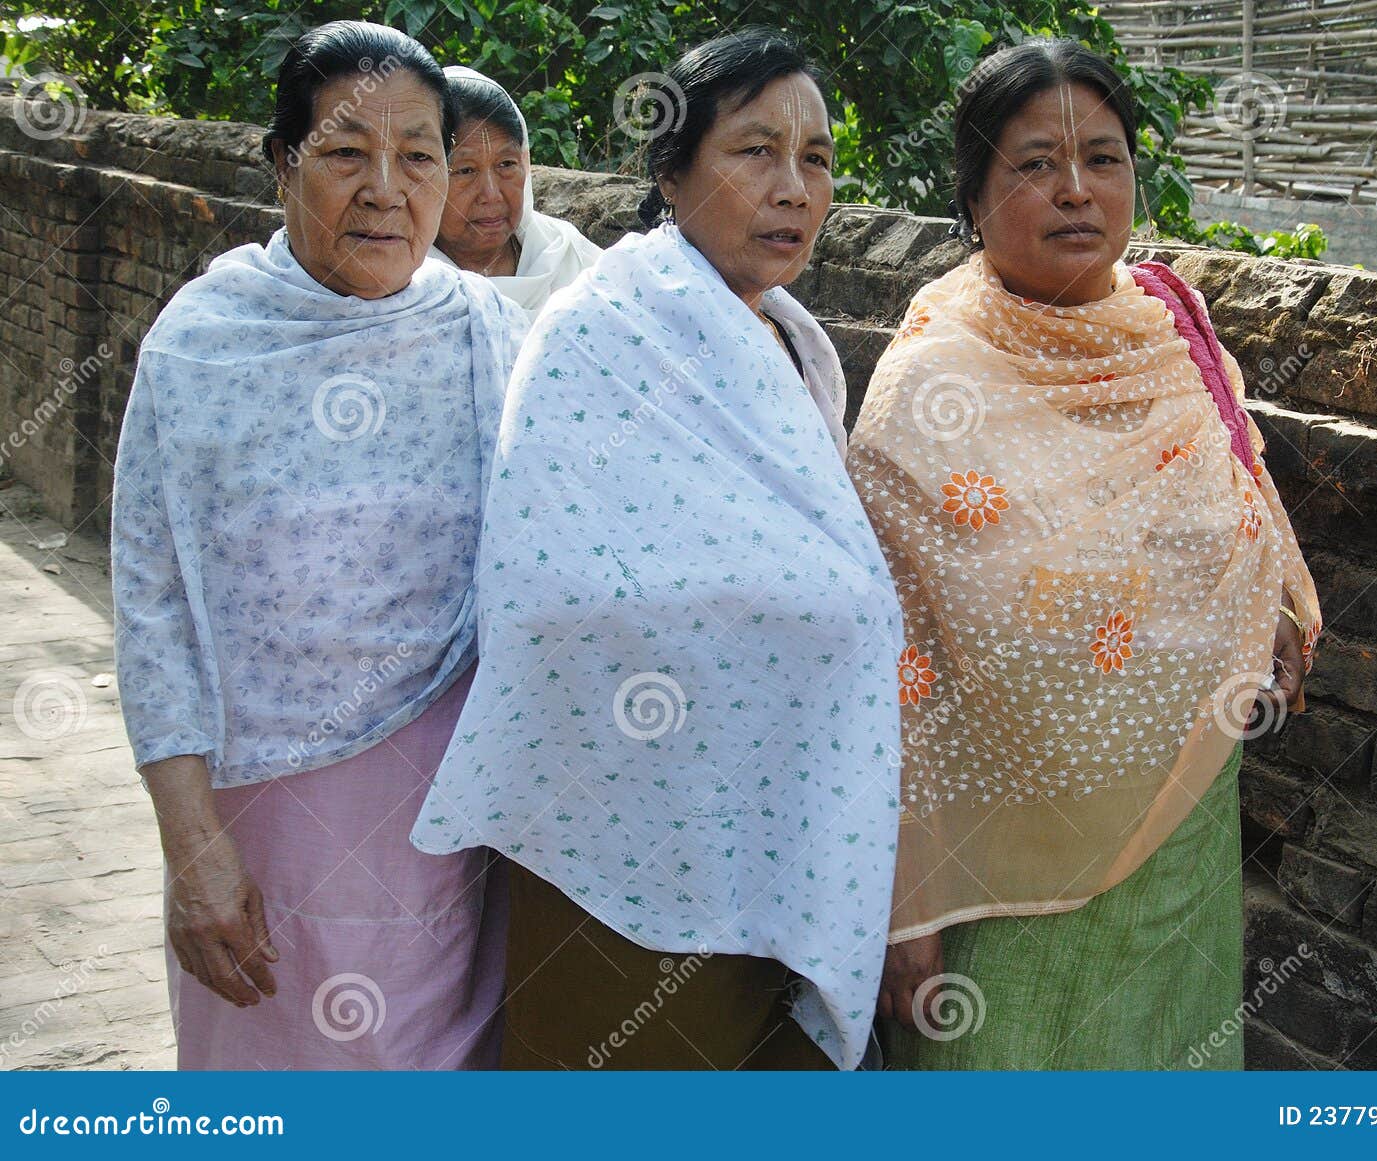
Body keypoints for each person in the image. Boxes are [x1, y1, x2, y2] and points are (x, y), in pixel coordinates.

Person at [411, 28, 903, 1071]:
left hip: (781, 826)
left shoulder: (790, 337)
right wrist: (787, 621)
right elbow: (551, 597)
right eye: (755, 151)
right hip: (627, 832)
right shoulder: (600, 330)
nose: (793, 187)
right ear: (671, 170)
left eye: (815, 159)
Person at [846, 38, 1321, 1070]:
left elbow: (1234, 506)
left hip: (1183, 821)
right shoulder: (929, 388)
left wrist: (1269, 599)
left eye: (1103, 159)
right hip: (1002, 863)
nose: (1076, 191)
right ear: (971, 196)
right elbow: (887, 669)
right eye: (1032, 165)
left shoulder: (1170, 335)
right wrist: (902, 904)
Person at [111, 20, 526, 1069]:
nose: (386, 188)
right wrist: (193, 849)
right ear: (283, 162)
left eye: (418, 155)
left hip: (452, 829)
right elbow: (152, 603)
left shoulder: (493, 334)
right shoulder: (205, 344)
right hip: (264, 825)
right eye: (346, 152)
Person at [430, 65, 600, 315]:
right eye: (465, 170)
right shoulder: (405, 283)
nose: (491, 194)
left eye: (506, 164)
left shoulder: (568, 257)